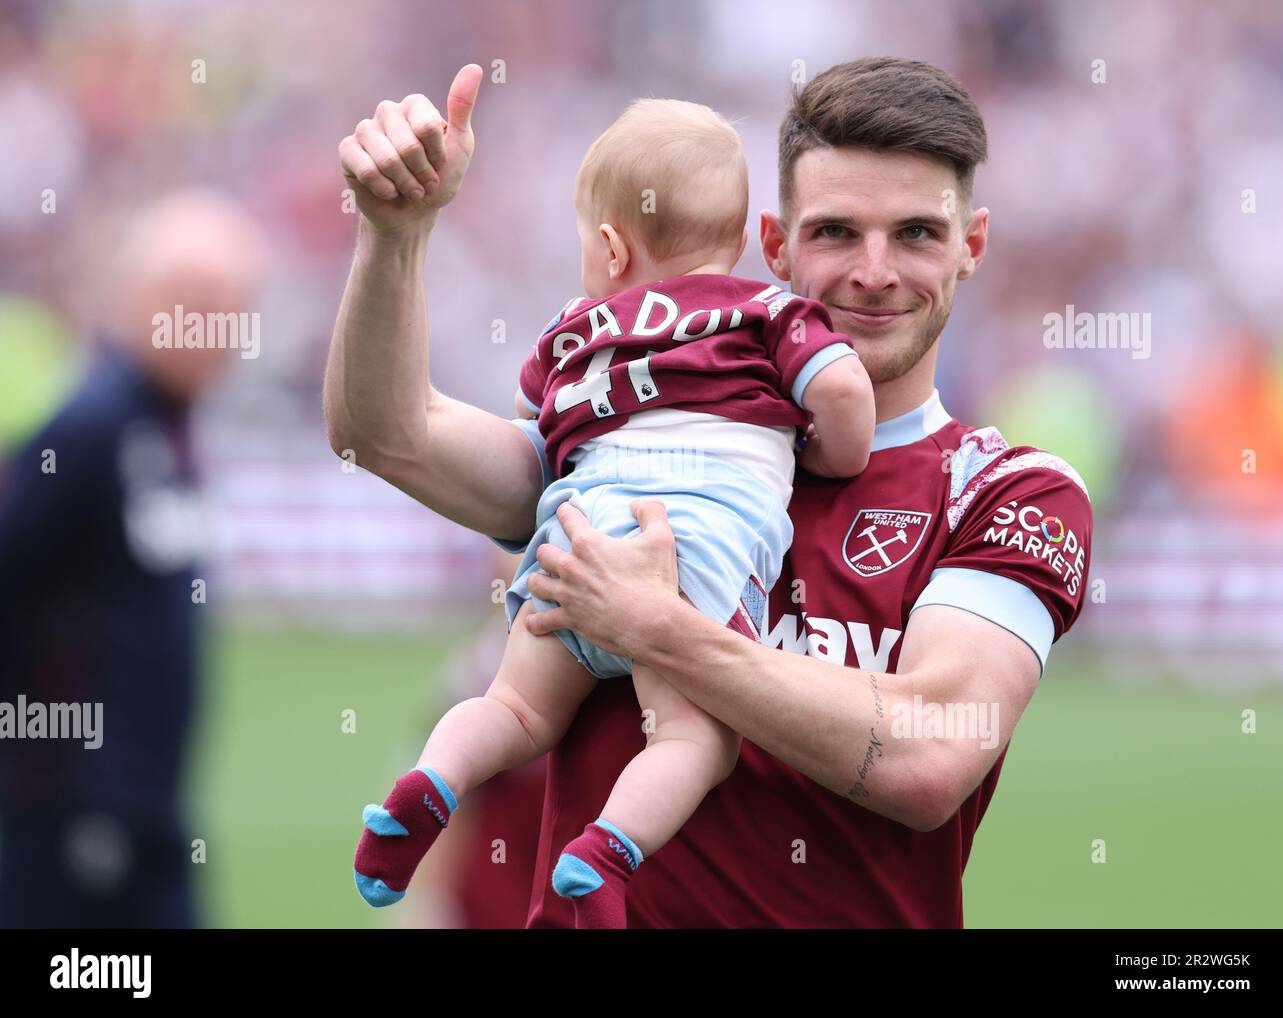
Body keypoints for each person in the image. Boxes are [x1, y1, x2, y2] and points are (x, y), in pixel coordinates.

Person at [325, 56, 1094, 928]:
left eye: (916, 233)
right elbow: (383, 433)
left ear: (971, 246)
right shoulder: (646, 434)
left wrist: (659, 628)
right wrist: (395, 235)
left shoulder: (1010, 492)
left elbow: (926, 759)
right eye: (837, 231)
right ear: (773, 246)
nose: (875, 271)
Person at [349, 94, 873, 928]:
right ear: (743, 246)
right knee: (693, 739)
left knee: (513, 709)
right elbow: (842, 391)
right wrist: (832, 450)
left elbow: (539, 432)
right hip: (686, 560)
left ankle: (431, 781)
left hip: (574, 548)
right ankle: (607, 853)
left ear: (609, 248)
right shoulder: (766, 313)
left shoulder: (570, 331)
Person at [0, 188, 267, 927]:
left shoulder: (165, 426)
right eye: (200, 300)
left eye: (236, 303)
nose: (223, 329)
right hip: (70, 821)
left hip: (147, 811)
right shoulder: (90, 429)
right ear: (141, 300)